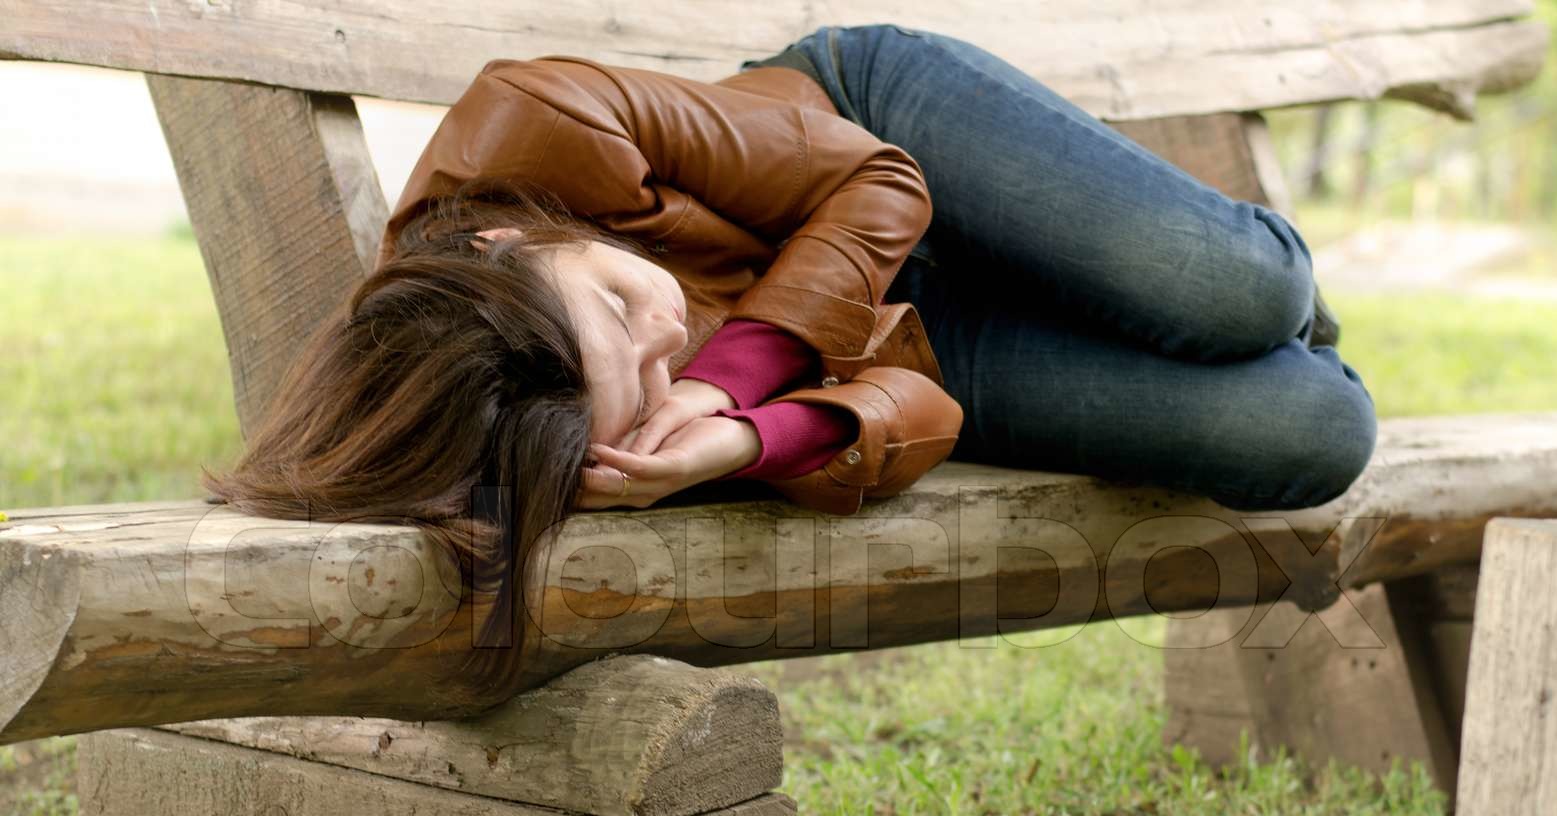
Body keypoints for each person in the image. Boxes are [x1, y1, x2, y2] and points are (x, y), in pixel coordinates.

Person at [199, 24, 1377, 701]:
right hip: (909, 323)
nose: (664, 341)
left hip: (886, 139)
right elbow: (917, 404)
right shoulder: (574, 420)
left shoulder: (533, 120)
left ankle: (1225, 294)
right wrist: (750, 436)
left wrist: (727, 373)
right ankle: (1134, 301)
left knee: (1241, 290)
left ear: (512, 244)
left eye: (618, 306)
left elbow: (876, 184)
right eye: (648, 377)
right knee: (1313, 436)